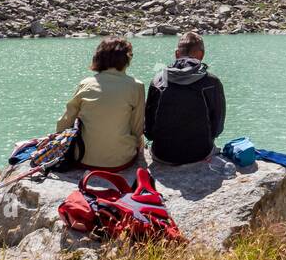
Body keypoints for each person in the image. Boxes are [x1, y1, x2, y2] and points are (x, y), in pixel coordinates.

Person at [56, 36, 145, 170]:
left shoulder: (86, 84)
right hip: (121, 160)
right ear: (126, 59)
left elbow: (65, 122)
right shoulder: (136, 86)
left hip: (83, 158)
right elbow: (137, 128)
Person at [145, 31, 227, 164]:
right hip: (200, 154)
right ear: (201, 55)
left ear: (177, 53)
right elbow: (217, 126)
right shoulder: (212, 82)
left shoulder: (158, 80)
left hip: (163, 154)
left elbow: (149, 128)